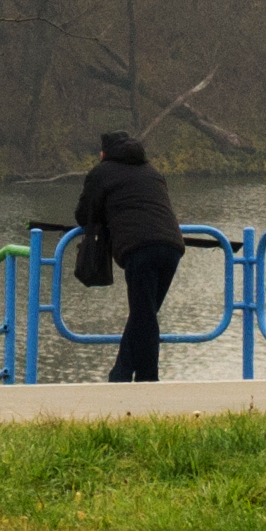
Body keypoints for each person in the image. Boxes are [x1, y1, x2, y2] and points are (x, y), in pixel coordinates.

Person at [71, 128, 190, 381]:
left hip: (139, 248)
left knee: (143, 314)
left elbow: (83, 214)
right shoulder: (152, 171)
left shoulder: (101, 172)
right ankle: (124, 375)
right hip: (171, 247)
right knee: (143, 314)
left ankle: (146, 380)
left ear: (104, 153)